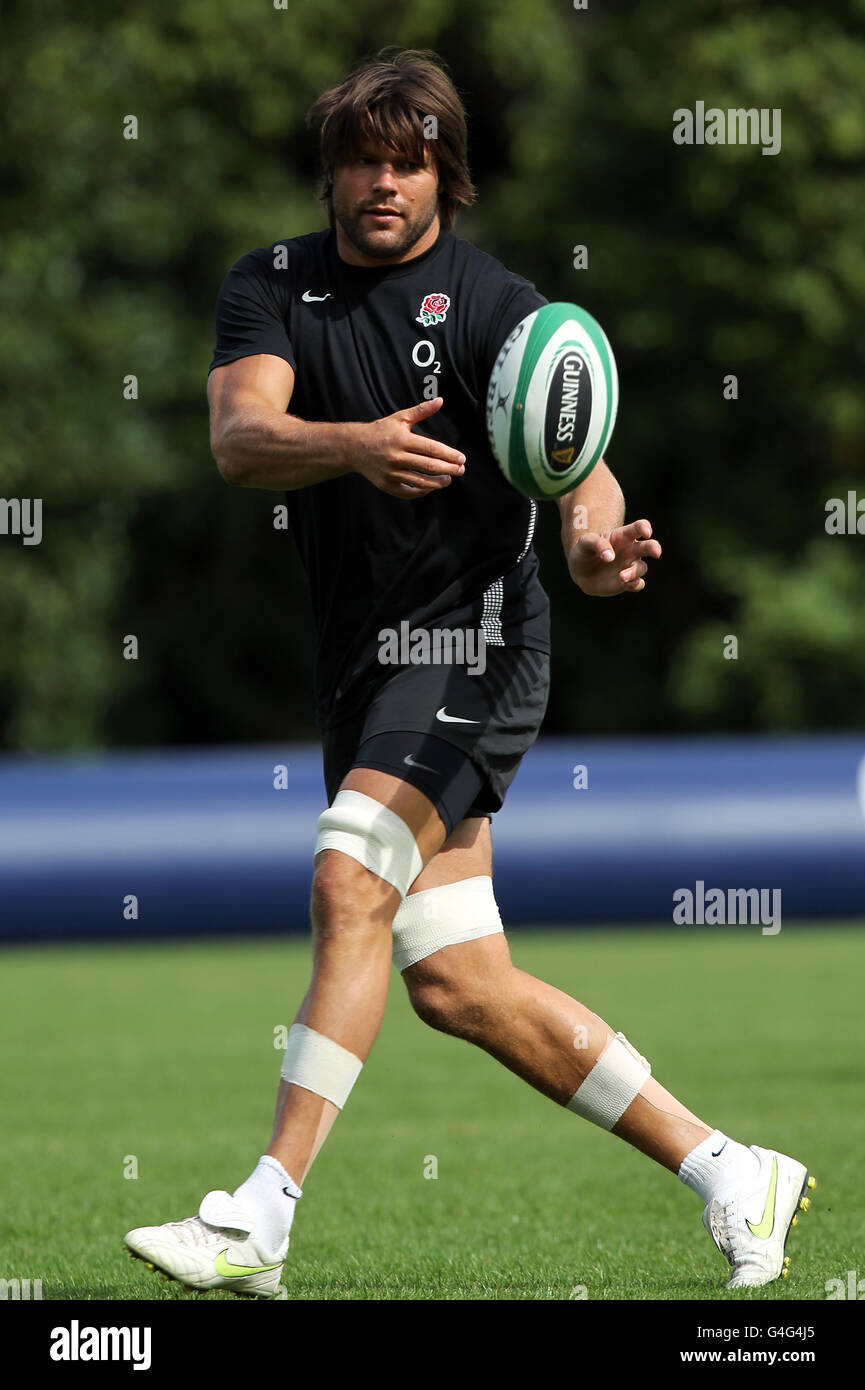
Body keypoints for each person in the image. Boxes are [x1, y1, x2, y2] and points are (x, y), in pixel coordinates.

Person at [124, 48, 814, 1298]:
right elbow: (239, 437)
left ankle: (259, 1216)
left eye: (409, 160)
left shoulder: (496, 301)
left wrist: (592, 536)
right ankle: (729, 1166)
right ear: (331, 171)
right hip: (363, 663)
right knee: (454, 978)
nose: (382, 182)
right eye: (360, 160)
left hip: (478, 640)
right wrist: (354, 446)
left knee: (348, 871)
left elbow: (575, 439)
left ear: (446, 171)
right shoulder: (270, 285)